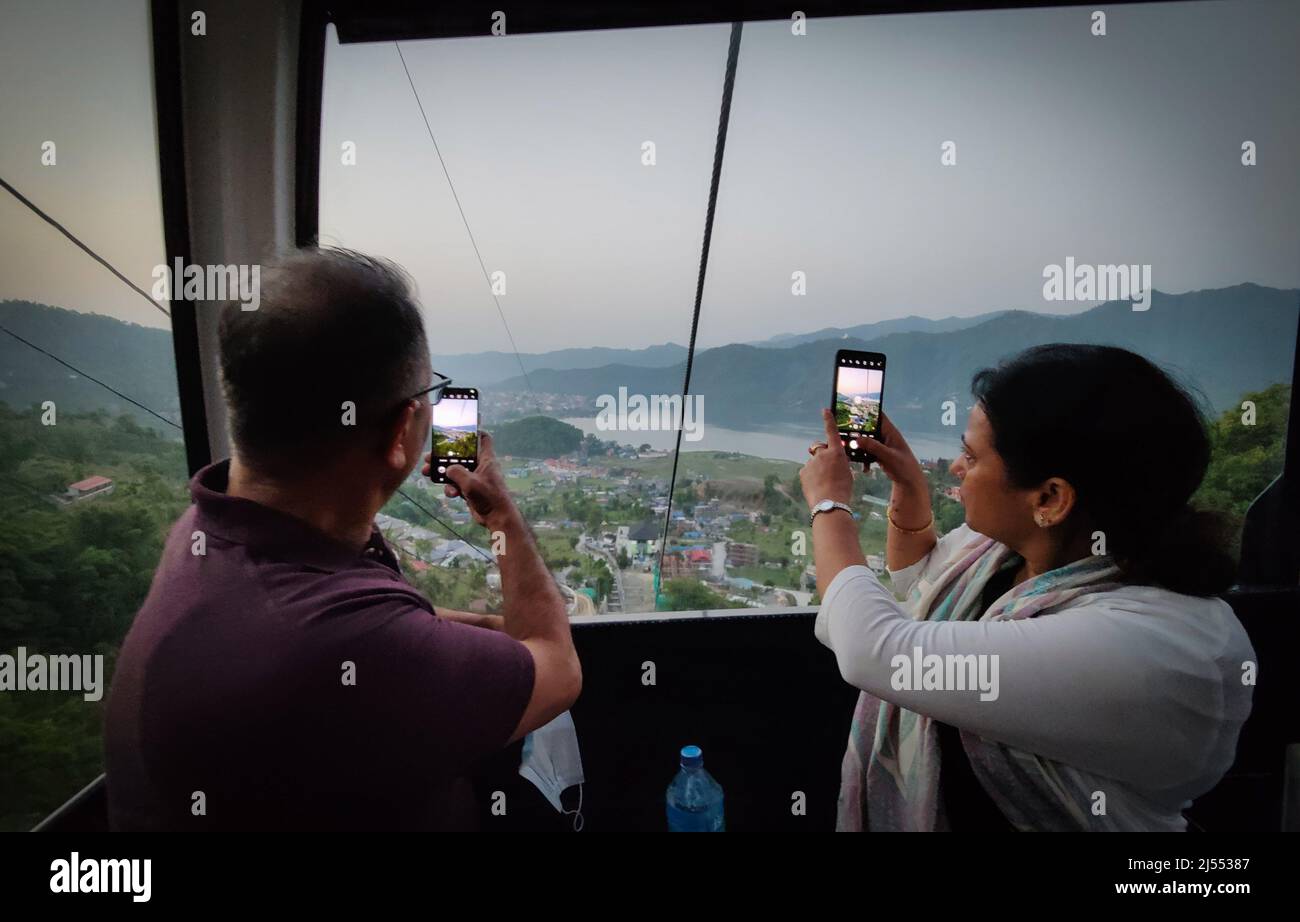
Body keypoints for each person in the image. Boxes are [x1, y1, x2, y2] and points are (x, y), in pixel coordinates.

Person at [104, 248, 581, 830]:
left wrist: (467, 631)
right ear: (402, 431)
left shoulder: (205, 533)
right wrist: (502, 514)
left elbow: (373, 623)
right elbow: (558, 669)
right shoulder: (346, 645)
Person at [799, 343, 1254, 831]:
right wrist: (909, 488)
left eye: (971, 457)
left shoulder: (1153, 646)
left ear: (1051, 498)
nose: (957, 467)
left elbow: (875, 650)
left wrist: (830, 508)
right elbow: (919, 585)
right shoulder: (1005, 555)